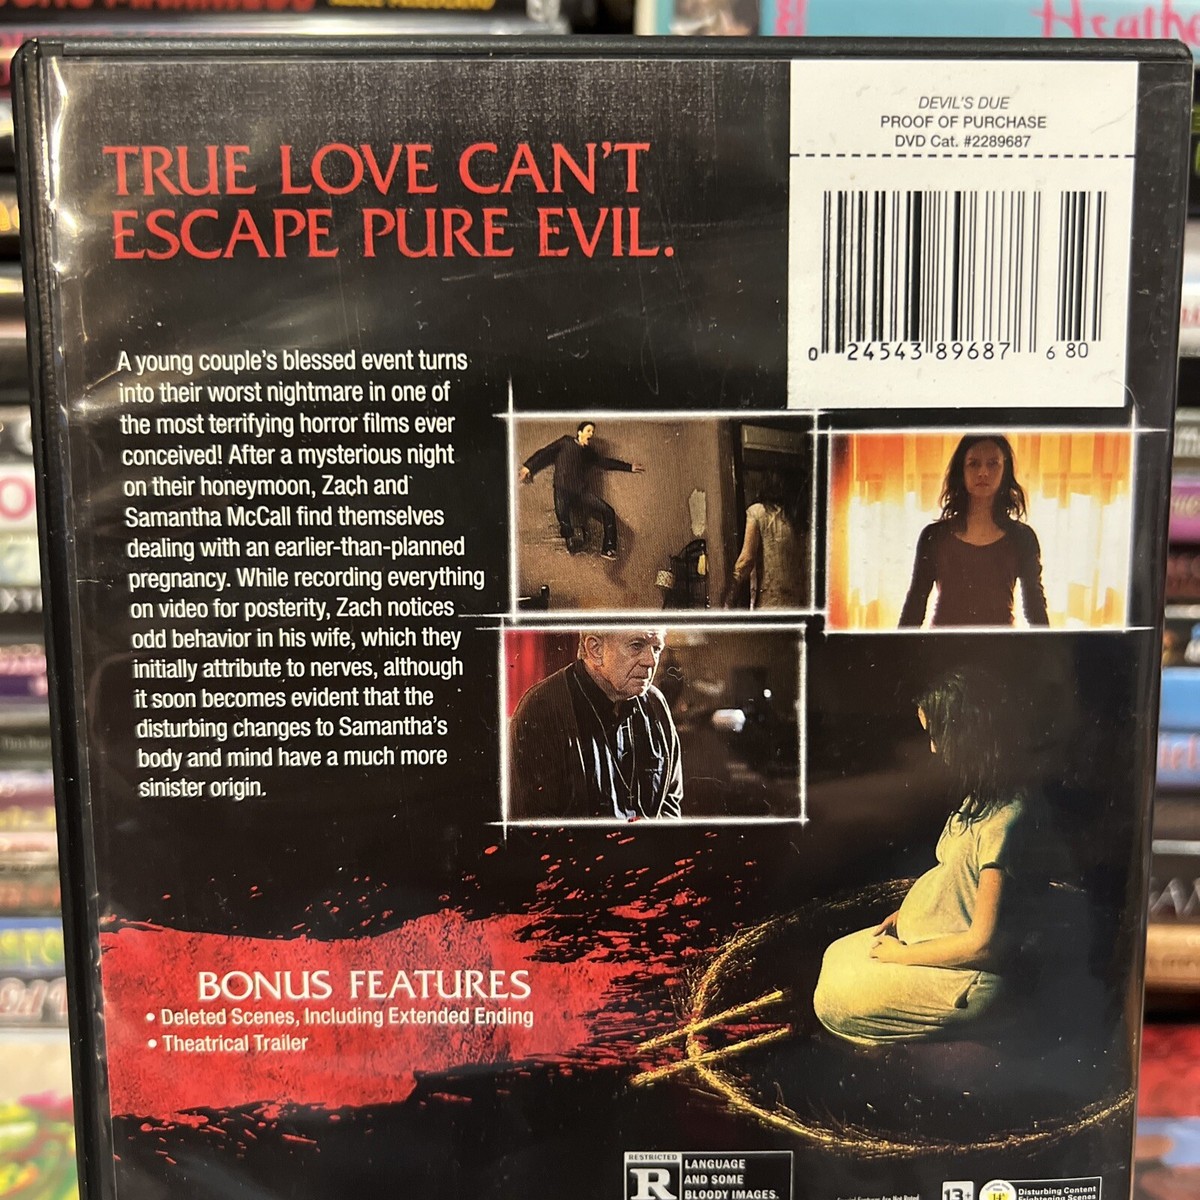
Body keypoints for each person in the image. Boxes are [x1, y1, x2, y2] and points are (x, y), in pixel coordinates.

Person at [813, 668, 1046, 1045]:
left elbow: (983, 944)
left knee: (834, 999)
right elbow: (957, 878)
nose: (934, 749)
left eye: (938, 735)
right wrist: (910, 914)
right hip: (930, 940)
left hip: (968, 975)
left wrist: (901, 957)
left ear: (968, 736)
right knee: (837, 954)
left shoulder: (1007, 821)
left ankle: (966, 1031)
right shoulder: (980, 800)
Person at [508, 629, 682, 822]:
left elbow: (670, 801)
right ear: (595, 649)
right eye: (636, 646)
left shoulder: (655, 703)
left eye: (656, 649)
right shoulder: (542, 709)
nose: (651, 661)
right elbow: (533, 824)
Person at [899, 435, 1049, 628]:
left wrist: (1050, 647)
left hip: (1001, 644)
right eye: (974, 464)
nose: (983, 472)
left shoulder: (1022, 537)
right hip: (944, 643)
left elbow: (1035, 608)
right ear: (961, 470)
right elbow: (915, 606)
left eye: (993, 464)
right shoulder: (934, 536)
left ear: (1005, 470)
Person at [519, 422, 645, 560]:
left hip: (580, 492)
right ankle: (572, 540)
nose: (591, 434)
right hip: (562, 490)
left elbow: (605, 462)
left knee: (608, 511)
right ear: (580, 432)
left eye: (592, 432)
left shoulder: (588, 453)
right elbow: (545, 453)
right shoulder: (566, 442)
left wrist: (629, 467)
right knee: (563, 519)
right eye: (589, 430)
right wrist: (528, 467)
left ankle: (608, 548)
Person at [724, 471, 805, 609]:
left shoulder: (757, 512)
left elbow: (746, 561)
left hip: (770, 603)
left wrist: (729, 600)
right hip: (796, 605)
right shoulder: (796, 517)